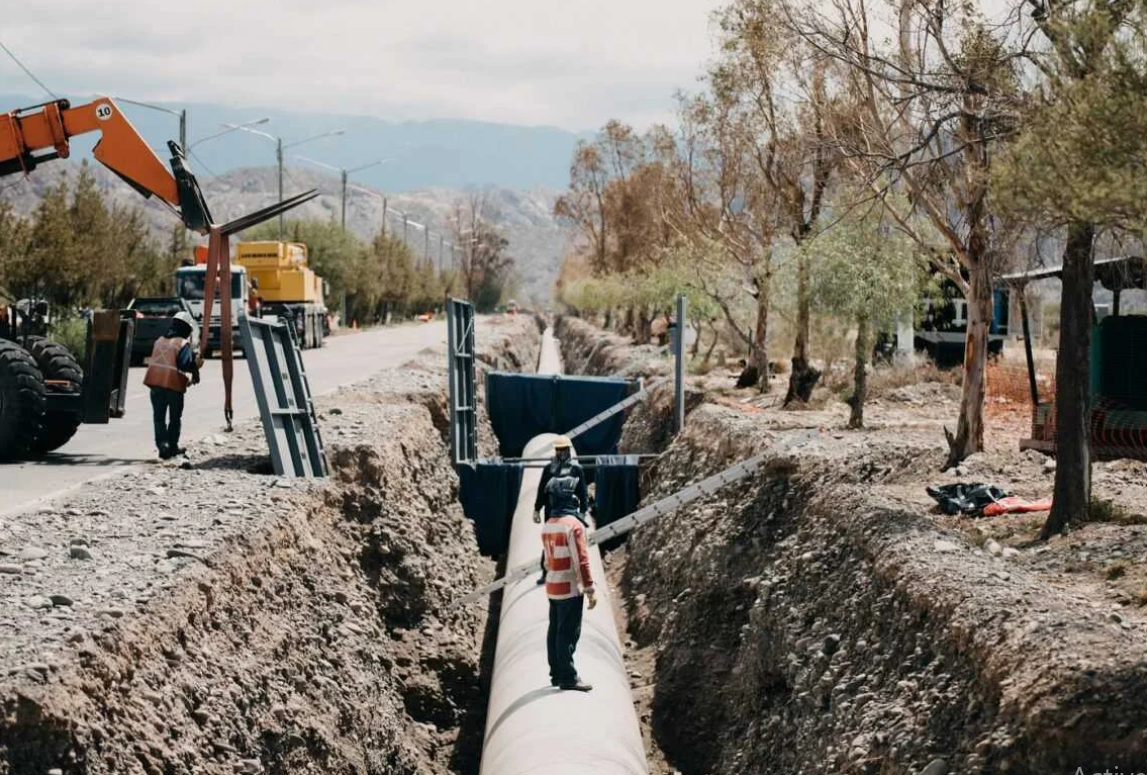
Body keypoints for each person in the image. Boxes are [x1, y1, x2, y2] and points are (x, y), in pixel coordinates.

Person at [535, 435, 597, 692]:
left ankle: (555, 674)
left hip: (551, 587)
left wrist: (536, 508)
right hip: (569, 589)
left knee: (554, 630)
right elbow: (581, 560)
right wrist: (590, 589)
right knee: (568, 633)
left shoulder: (549, 526)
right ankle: (569, 677)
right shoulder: (574, 527)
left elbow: (548, 560)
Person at [143, 311, 201, 460]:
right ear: (186, 329)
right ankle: (173, 447)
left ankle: (163, 446)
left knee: (159, 418)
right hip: (172, 386)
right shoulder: (182, 343)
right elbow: (184, 364)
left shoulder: (159, 340)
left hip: (155, 384)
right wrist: (196, 365)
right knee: (175, 418)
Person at [534, 436, 589, 585]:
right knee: (550, 542)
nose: (561, 453)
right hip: (551, 512)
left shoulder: (576, 470)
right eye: (558, 449)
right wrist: (536, 509)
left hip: (569, 512)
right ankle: (546, 572)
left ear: (568, 450)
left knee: (571, 542)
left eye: (563, 449)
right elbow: (542, 491)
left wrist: (582, 512)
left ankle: (573, 572)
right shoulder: (549, 469)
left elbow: (583, 493)